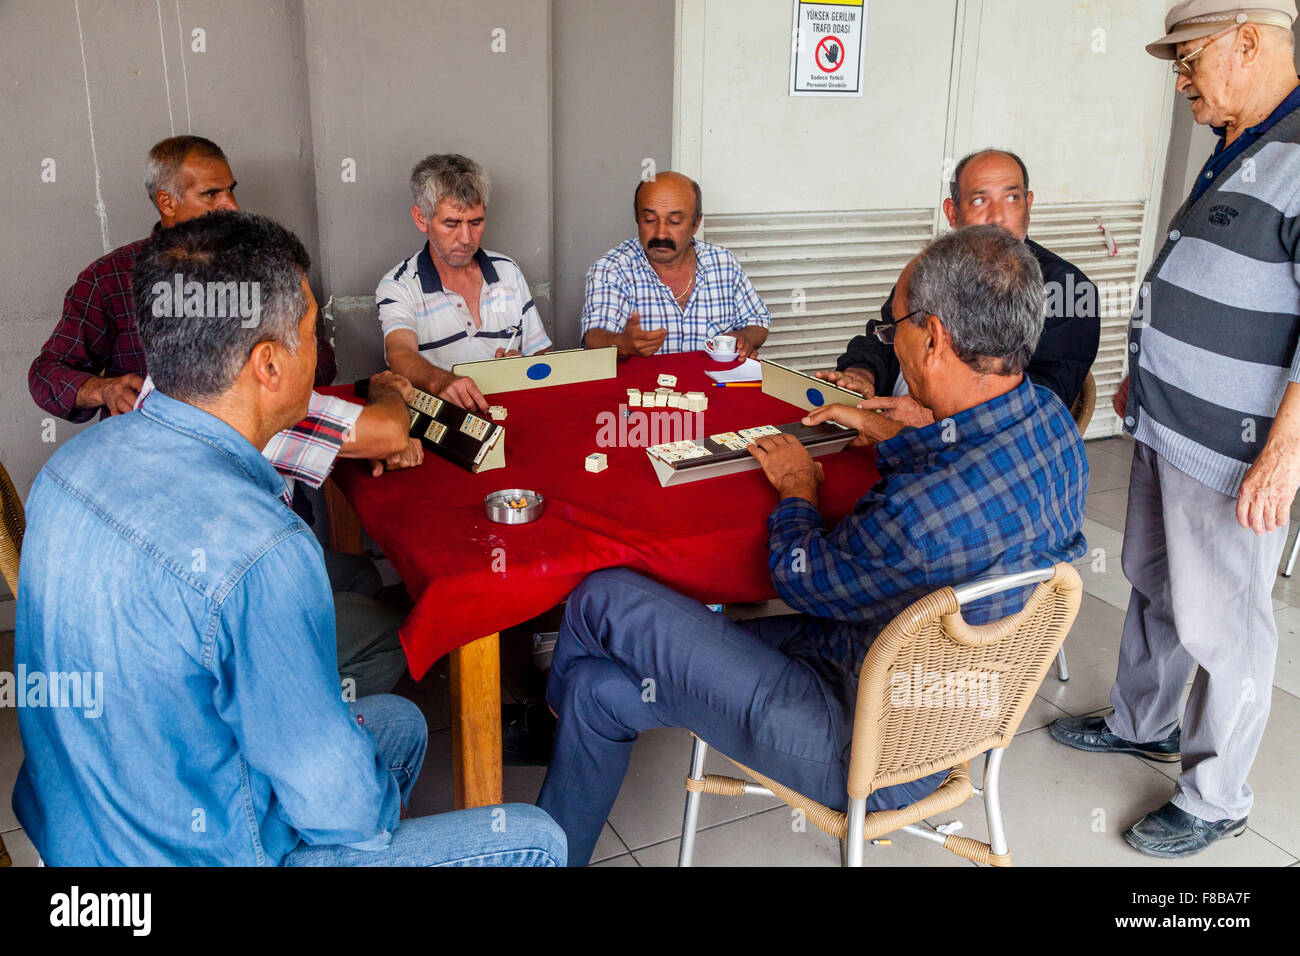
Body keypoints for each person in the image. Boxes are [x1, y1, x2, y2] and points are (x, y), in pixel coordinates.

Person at [11, 211, 566, 866]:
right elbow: (347, 811)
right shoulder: (262, 551)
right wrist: (367, 818)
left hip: (84, 836)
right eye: (311, 336)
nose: (320, 355)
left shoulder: (66, 471)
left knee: (401, 725)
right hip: (199, 856)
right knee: (535, 840)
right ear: (268, 365)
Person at [538, 225, 1088, 864]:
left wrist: (798, 488)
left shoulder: (918, 517)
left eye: (896, 330)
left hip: (864, 739)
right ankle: (553, 854)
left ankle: (544, 715)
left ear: (934, 337)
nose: (893, 343)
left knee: (603, 597)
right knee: (597, 692)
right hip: (948, 703)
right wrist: (885, 424)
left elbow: (802, 577)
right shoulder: (1051, 419)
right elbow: (963, 462)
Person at [27, 134, 417, 698]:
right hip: (197, 536)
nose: (230, 204)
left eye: (231, 191)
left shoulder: (66, 477)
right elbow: (48, 373)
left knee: (345, 575)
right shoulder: (238, 403)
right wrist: (98, 387)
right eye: (213, 193)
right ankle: (288, 691)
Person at [1050, 0, 1300, 859]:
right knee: (1154, 579)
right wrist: (1145, 368)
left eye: (1190, 58)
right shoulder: (1241, 145)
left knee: (1224, 623)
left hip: (1236, 447)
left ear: (1250, 41)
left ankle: (1216, 795)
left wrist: (1285, 455)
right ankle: (1142, 722)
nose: (1182, 78)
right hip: (1168, 422)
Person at [819, 149, 1099, 425]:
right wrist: (862, 374)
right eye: (979, 200)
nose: (998, 217)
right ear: (952, 214)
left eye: (1012, 198)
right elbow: (888, 334)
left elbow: (1041, 406)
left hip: (970, 456)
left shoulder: (1070, 292)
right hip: (881, 431)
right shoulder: (927, 268)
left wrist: (930, 419)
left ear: (1029, 205)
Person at [378, 153, 551, 415]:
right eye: (451, 223)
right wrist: (441, 381)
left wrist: (525, 368)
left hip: (515, 413)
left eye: (476, 222)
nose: (466, 238)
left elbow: (544, 357)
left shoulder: (507, 271)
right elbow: (399, 353)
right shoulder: (399, 285)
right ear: (421, 218)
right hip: (444, 421)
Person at [580, 172, 771, 359]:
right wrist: (623, 344)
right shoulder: (612, 269)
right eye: (650, 220)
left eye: (674, 221)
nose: (661, 234)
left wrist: (743, 338)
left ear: (696, 224)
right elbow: (593, 337)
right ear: (638, 219)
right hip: (642, 389)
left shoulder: (722, 262)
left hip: (714, 387)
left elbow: (757, 321)